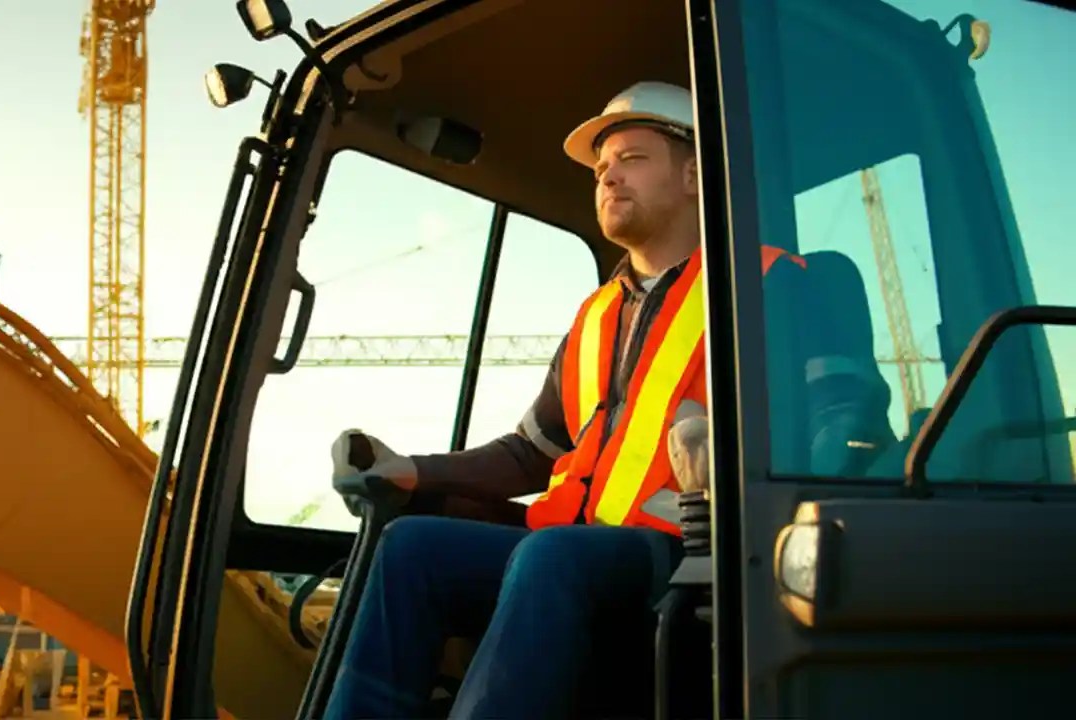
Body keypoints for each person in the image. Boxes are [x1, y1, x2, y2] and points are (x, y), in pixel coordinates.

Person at [321, 80, 807, 720]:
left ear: (695, 174)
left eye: (631, 159)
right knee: (411, 548)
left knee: (550, 556)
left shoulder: (768, 283)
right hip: (573, 546)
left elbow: (832, 433)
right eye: (602, 169)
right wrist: (413, 469)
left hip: (684, 556)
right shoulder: (596, 315)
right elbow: (531, 450)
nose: (608, 178)